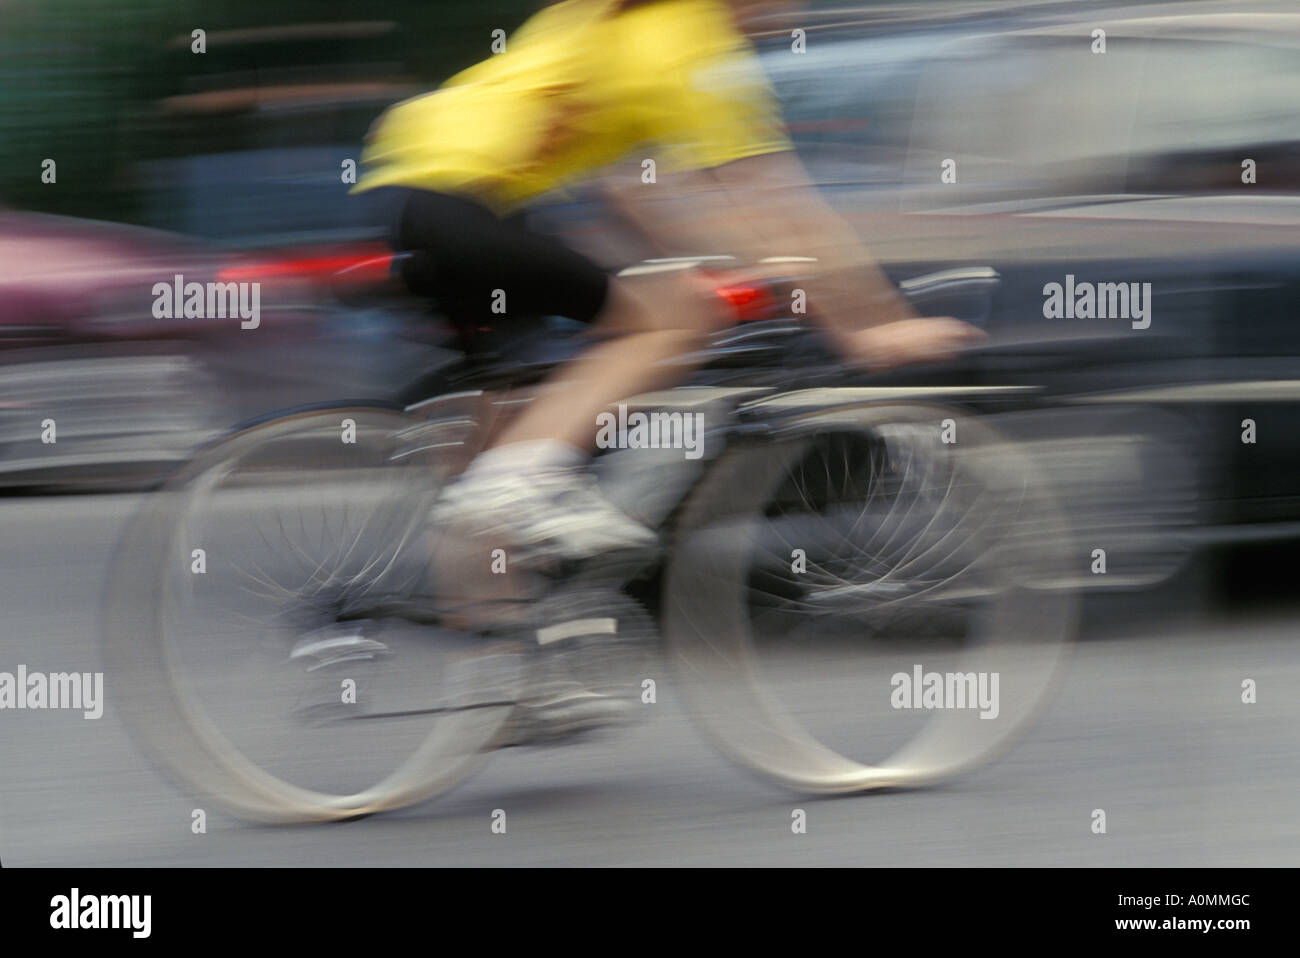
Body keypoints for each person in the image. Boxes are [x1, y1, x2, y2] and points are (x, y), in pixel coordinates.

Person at [354, 0, 985, 566]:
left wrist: (706, 265)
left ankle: (506, 659)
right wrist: (870, 327)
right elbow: (776, 202)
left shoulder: (608, 20)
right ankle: (517, 487)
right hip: (464, 212)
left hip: (414, 197)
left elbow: (627, 189)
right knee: (673, 322)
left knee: (495, 454)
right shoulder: (686, 36)